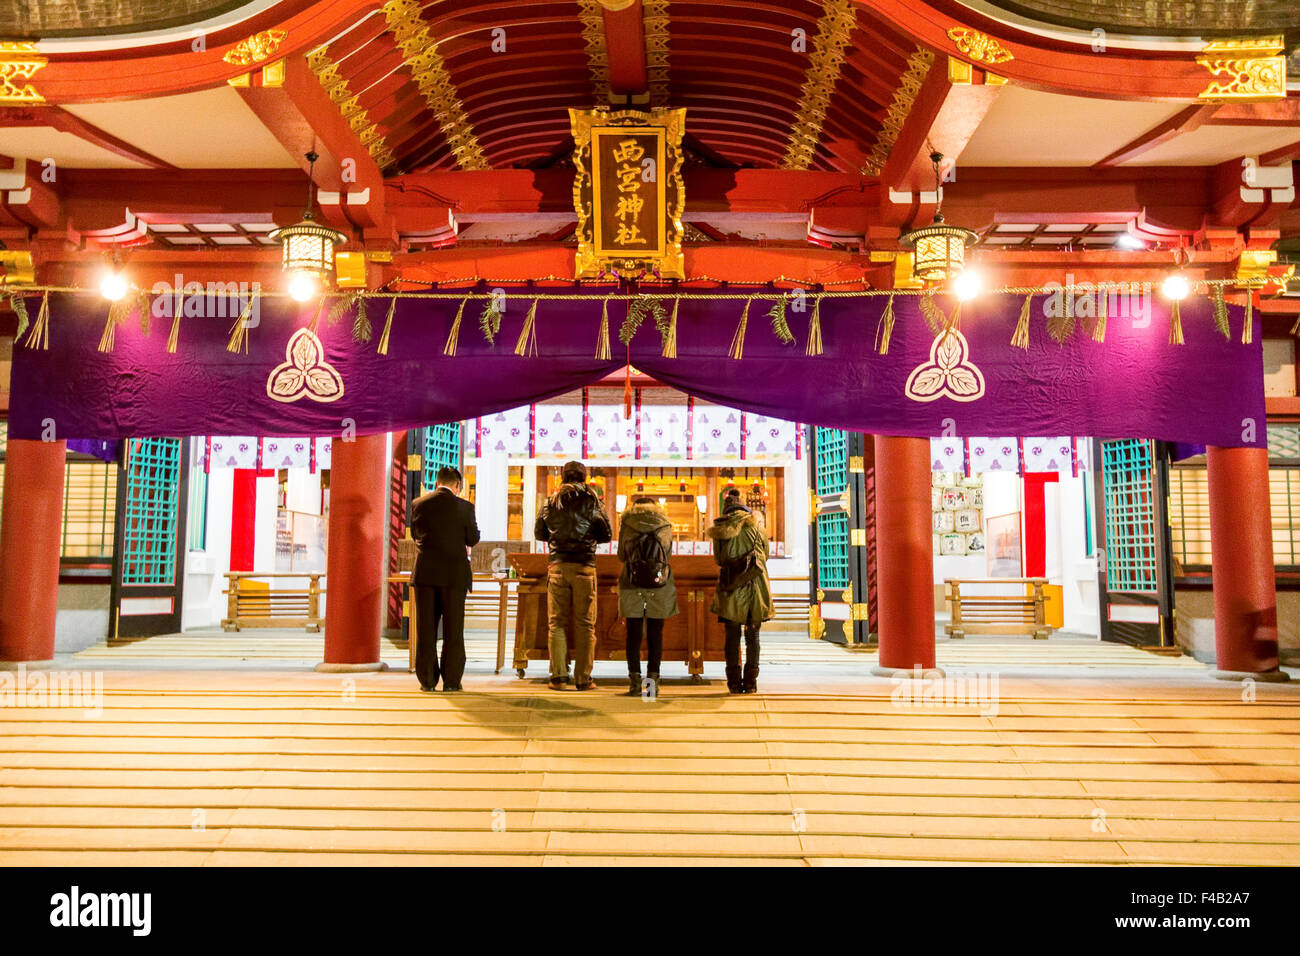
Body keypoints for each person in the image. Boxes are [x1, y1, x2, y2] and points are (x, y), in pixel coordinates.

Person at [534, 460, 612, 691]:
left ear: (562, 477)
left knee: (556, 623)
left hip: (557, 567)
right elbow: (606, 534)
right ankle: (583, 678)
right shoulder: (593, 502)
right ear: (584, 478)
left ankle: (558, 677)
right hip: (585, 567)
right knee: (585, 624)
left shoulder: (551, 502)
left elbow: (540, 533)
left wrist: (558, 541)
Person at [408, 465, 480, 692]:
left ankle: (427, 680)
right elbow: (472, 539)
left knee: (426, 630)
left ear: (436, 482)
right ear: (457, 486)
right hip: (454, 576)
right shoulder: (465, 507)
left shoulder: (419, 504)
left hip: (426, 575)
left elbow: (415, 534)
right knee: (453, 630)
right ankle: (451, 681)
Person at [706, 487, 773, 694]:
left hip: (731, 586)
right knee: (753, 636)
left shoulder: (720, 529)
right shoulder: (758, 527)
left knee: (732, 637)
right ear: (744, 506)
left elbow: (719, 560)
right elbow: (766, 556)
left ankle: (734, 682)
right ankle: (751, 682)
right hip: (756, 585)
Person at [616, 495, 679, 697]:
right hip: (659, 584)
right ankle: (652, 687)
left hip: (631, 583)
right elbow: (667, 555)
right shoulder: (664, 525)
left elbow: (621, 555)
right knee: (655, 634)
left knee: (633, 634)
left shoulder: (627, 524)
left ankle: (634, 684)